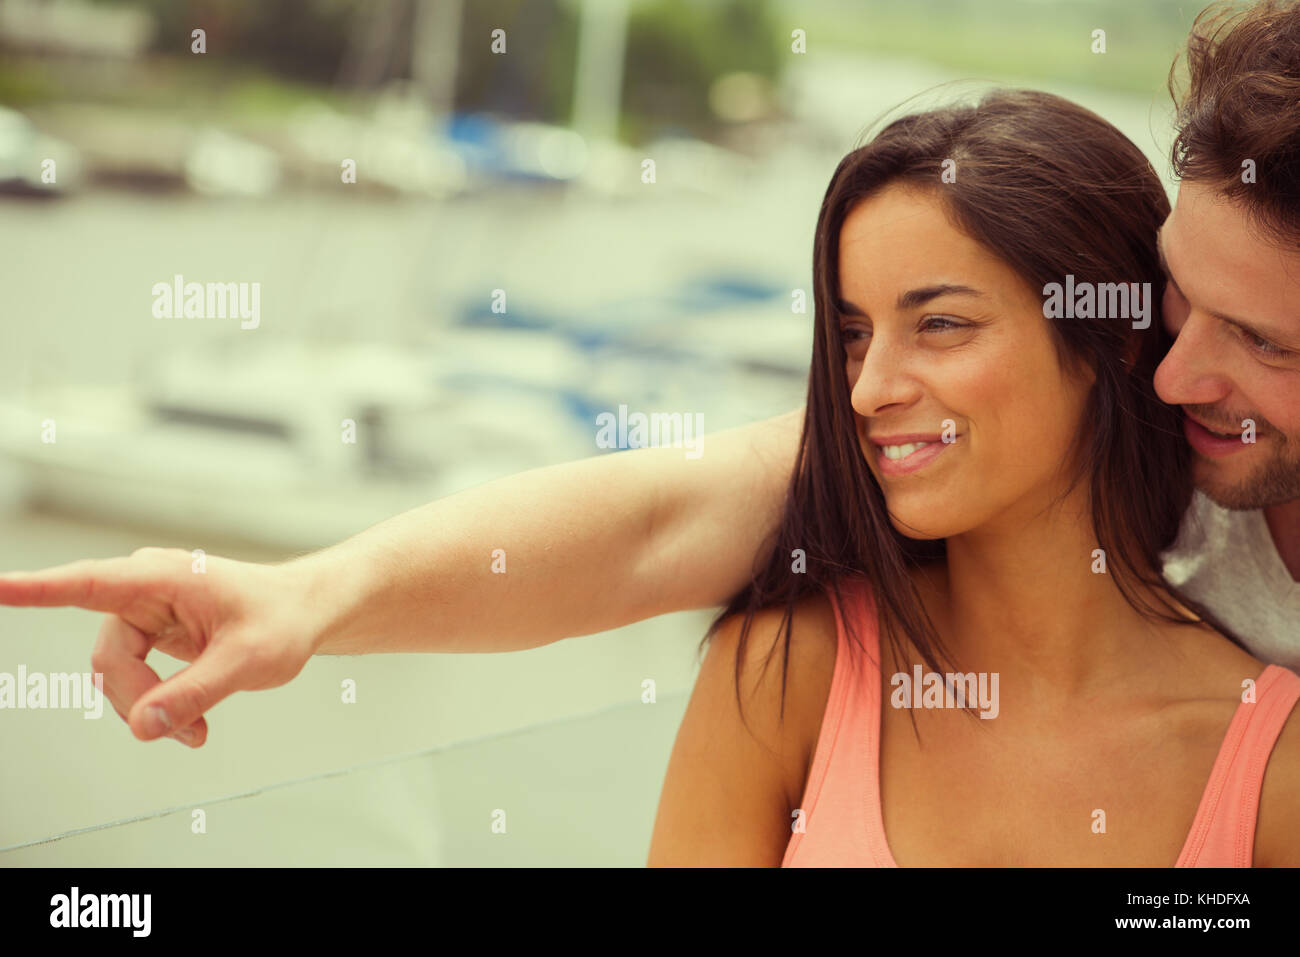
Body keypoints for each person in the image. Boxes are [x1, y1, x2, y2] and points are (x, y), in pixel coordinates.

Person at [0, 0, 1294, 804]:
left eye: (1259, 341)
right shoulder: (797, 667)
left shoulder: (1255, 743)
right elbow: (649, 522)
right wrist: (305, 597)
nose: (1175, 364)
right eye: (1178, 299)